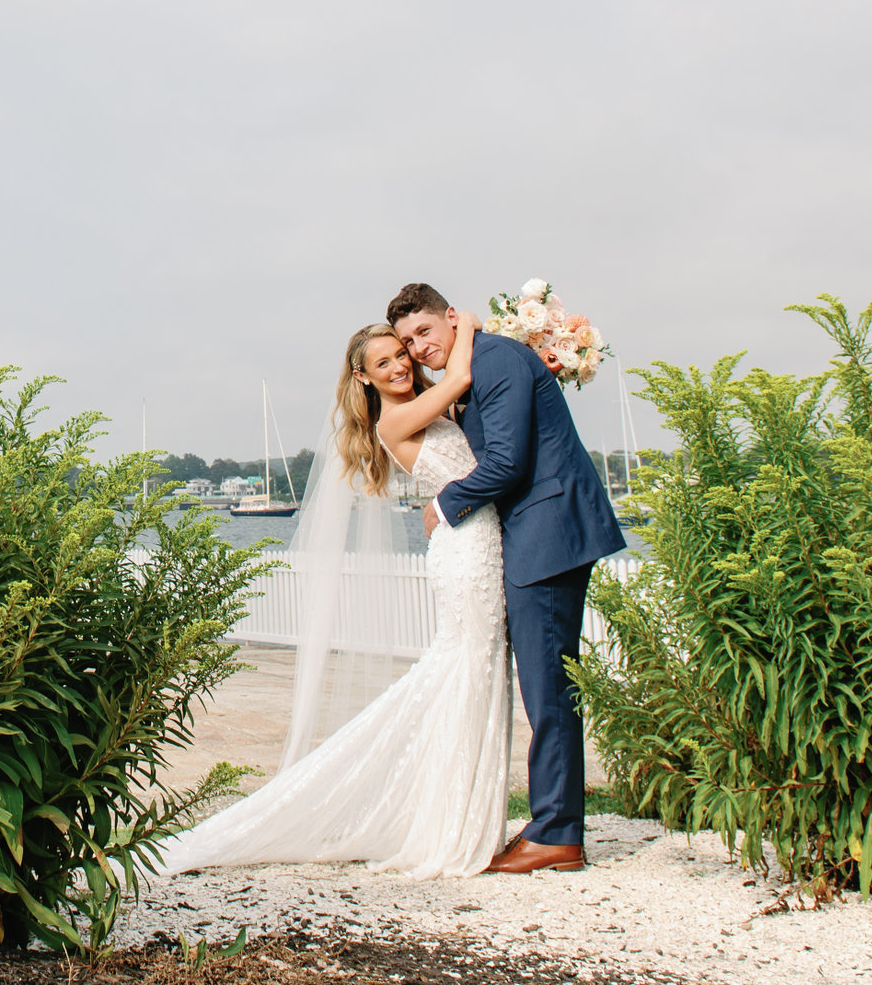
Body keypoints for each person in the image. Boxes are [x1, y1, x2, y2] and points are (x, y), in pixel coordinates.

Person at [154, 315, 513, 878]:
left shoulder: (429, 406)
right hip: (464, 551)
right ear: (364, 378)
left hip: (480, 541)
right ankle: (444, 823)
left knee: (477, 670)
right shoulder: (396, 421)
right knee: (465, 667)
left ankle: (461, 815)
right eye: (384, 363)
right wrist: (465, 322)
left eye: (401, 355)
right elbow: (462, 372)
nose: (399, 366)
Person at [389, 280, 626, 876]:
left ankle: (555, 834)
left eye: (424, 332)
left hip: (549, 531)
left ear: (449, 318)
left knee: (547, 688)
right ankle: (553, 821)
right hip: (533, 532)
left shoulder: (495, 361)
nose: (417, 349)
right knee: (544, 684)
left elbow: (507, 462)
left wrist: (443, 506)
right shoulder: (476, 361)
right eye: (406, 341)